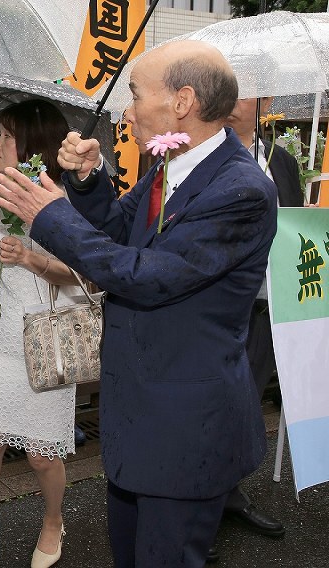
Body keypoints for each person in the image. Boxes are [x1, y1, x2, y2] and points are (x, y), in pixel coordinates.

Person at [0, 40, 278, 568]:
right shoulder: (172, 164)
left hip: (184, 428)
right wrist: (87, 182)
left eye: (137, 94)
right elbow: (119, 230)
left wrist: (50, 217)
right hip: (140, 416)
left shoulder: (242, 190)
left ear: (182, 101)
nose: (127, 111)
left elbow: (147, 276)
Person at [0, 100, 79, 568]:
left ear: (33, 144)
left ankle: (53, 519)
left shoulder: (62, 199)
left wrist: (30, 257)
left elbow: (85, 275)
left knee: (41, 455)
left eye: (7, 137)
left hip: (44, 336)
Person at [201, 95, 303, 556]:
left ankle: (229, 495)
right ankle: (196, 510)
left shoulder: (282, 161)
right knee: (207, 411)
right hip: (214, 309)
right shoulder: (199, 155)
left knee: (245, 409)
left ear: (267, 100)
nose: (236, 98)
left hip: (266, 306)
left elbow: (295, 227)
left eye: (248, 90)